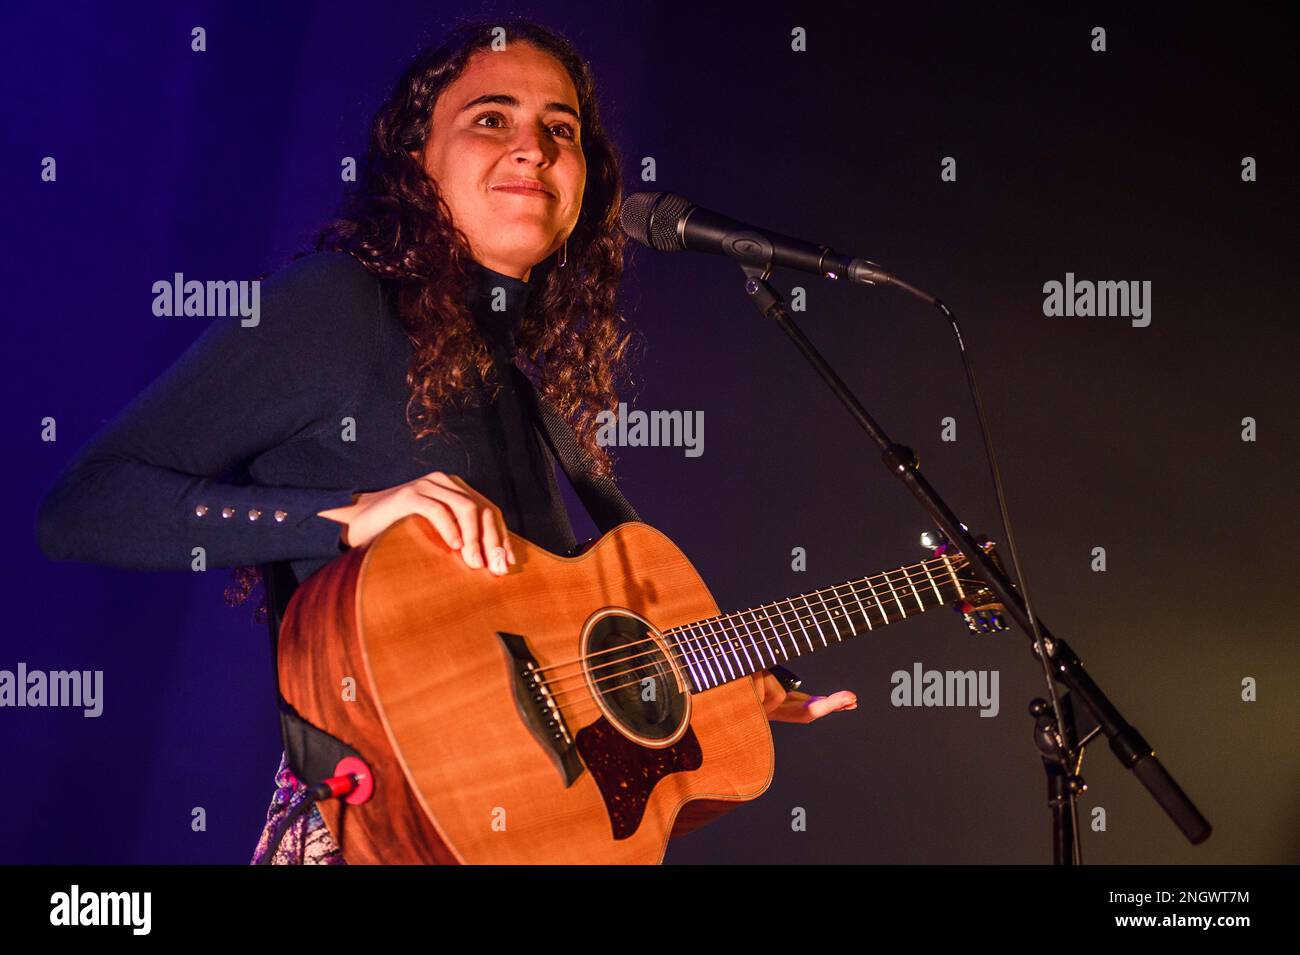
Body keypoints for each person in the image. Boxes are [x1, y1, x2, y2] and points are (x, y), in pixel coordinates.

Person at [36, 18, 857, 866]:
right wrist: (348, 515)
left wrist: (715, 688)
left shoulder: (522, 381)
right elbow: (82, 506)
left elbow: (532, 688)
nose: (533, 148)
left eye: (561, 130)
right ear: (417, 163)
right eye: (491, 119)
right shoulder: (338, 306)